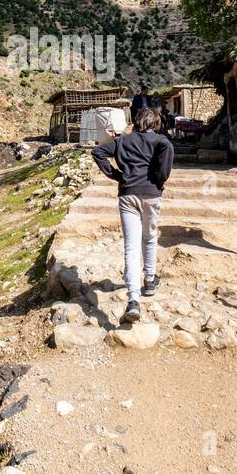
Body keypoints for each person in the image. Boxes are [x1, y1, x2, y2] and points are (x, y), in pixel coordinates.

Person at [92, 107, 175, 324]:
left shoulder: (123, 142)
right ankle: (149, 280)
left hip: (128, 195)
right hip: (152, 196)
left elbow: (98, 152)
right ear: (156, 123)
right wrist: (158, 181)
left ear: (137, 122)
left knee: (131, 247)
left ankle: (133, 300)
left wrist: (117, 176)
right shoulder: (162, 142)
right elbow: (164, 171)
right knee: (149, 238)